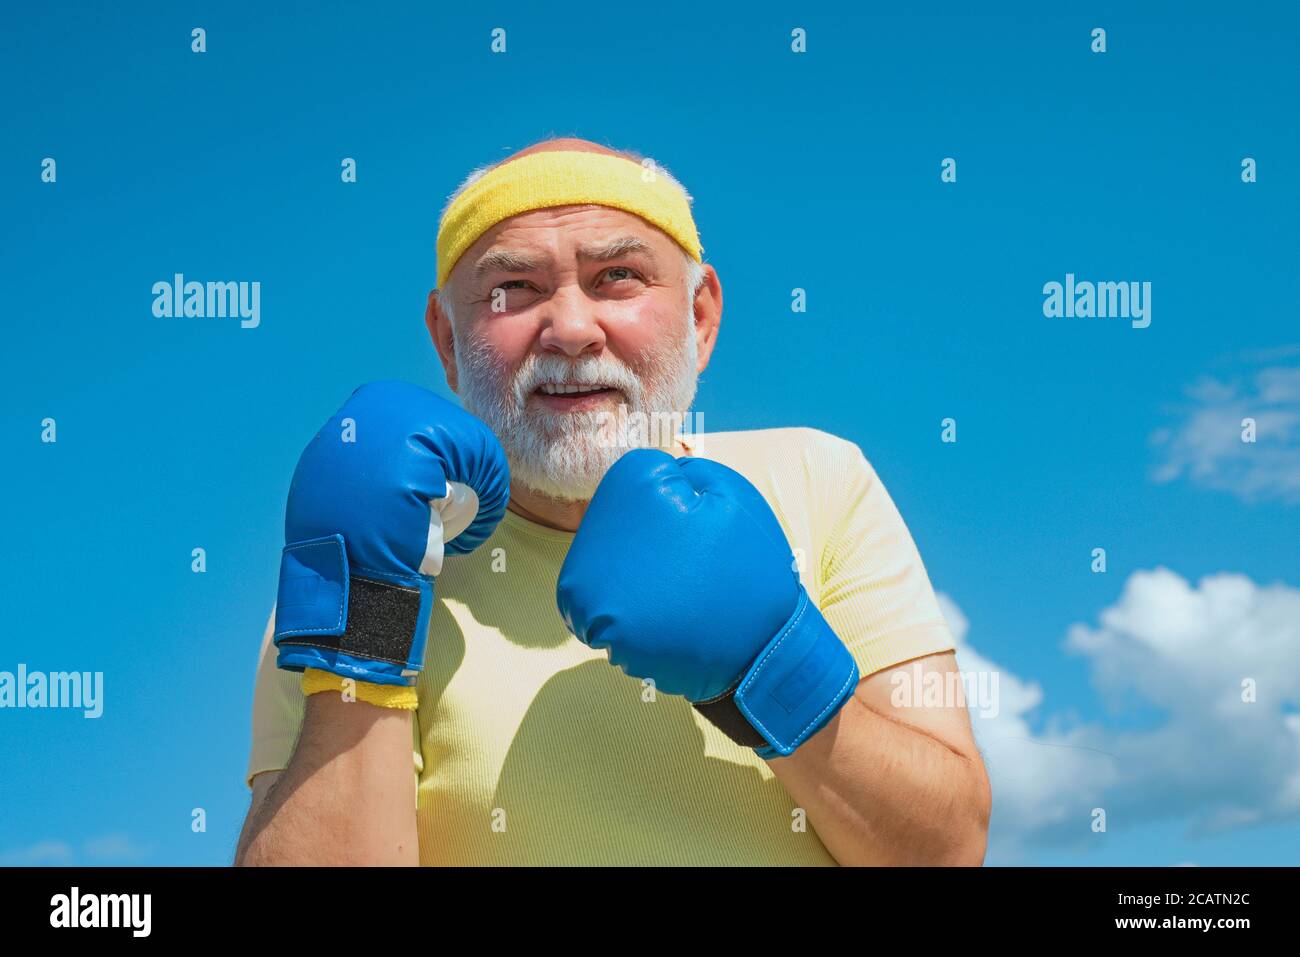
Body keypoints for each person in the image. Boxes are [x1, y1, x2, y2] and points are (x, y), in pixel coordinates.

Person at [235, 137, 991, 866]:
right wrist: (366, 625)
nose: (568, 329)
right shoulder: (366, 562)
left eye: (618, 276)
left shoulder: (819, 477)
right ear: (446, 340)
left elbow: (948, 849)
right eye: (515, 289)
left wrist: (773, 663)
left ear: (700, 317)